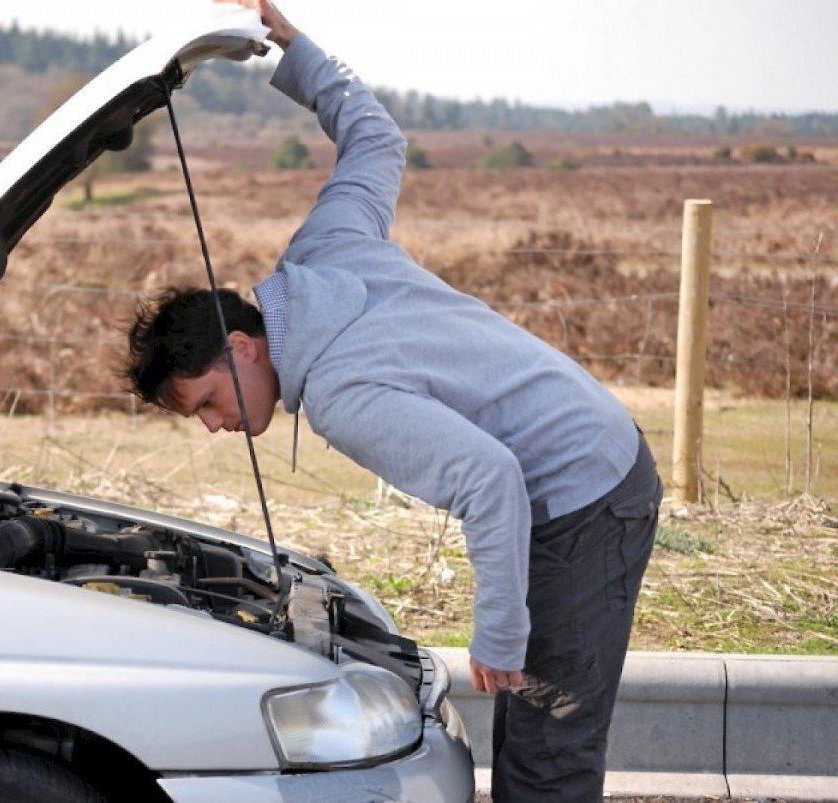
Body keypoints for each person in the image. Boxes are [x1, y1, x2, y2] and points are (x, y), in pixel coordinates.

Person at [122, 1, 663, 799]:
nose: (213, 426)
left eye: (205, 401)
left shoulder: (340, 391)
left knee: (548, 754)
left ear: (241, 347)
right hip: (580, 459)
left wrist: (498, 633)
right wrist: (291, 41)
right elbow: (375, 136)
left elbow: (490, 481)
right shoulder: (326, 248)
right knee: (530, 738)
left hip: (587, 492)